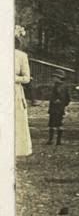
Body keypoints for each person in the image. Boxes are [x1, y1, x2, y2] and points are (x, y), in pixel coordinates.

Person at [14, 28, 32, 157]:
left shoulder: (21, 56)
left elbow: (26, 78)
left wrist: (13, 78)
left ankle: (18, 148)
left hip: (14, 92)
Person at [47, 71, 71, 146]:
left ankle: (51, 140)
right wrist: (64, 105)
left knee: (52, 124)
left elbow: (56, 97)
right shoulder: (65, 86)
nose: (53, 78)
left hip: (54, 108)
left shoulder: (57, 86)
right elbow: (68, 98)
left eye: (54, 77)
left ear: (58, 78)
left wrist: (55, 101)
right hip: (61, 108)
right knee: (59, 123)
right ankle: (58, 141)